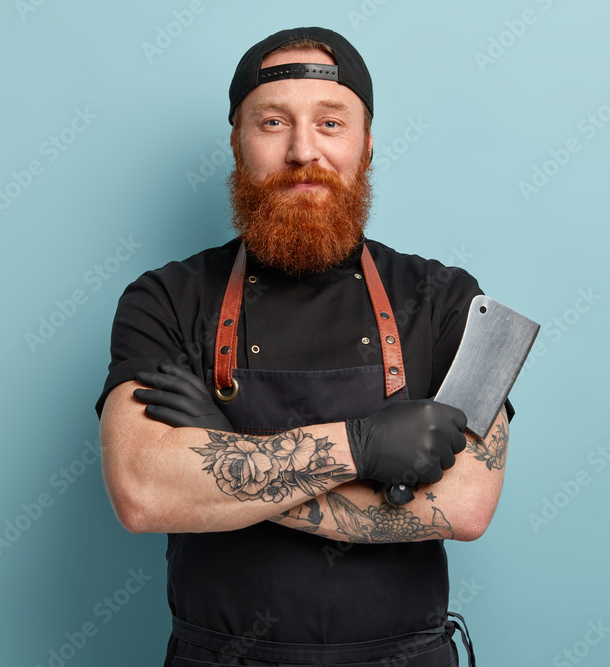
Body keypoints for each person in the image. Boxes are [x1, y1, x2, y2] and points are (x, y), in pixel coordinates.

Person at [95, 26, 513, 667]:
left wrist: (227, 461)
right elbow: (143, 491)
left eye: (330, 122)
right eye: (271, 122)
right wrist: (365, 448)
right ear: (238, 143)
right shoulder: (164, 299)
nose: (302, 151)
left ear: (366, 145)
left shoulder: (453, 301)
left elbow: (465, 504)